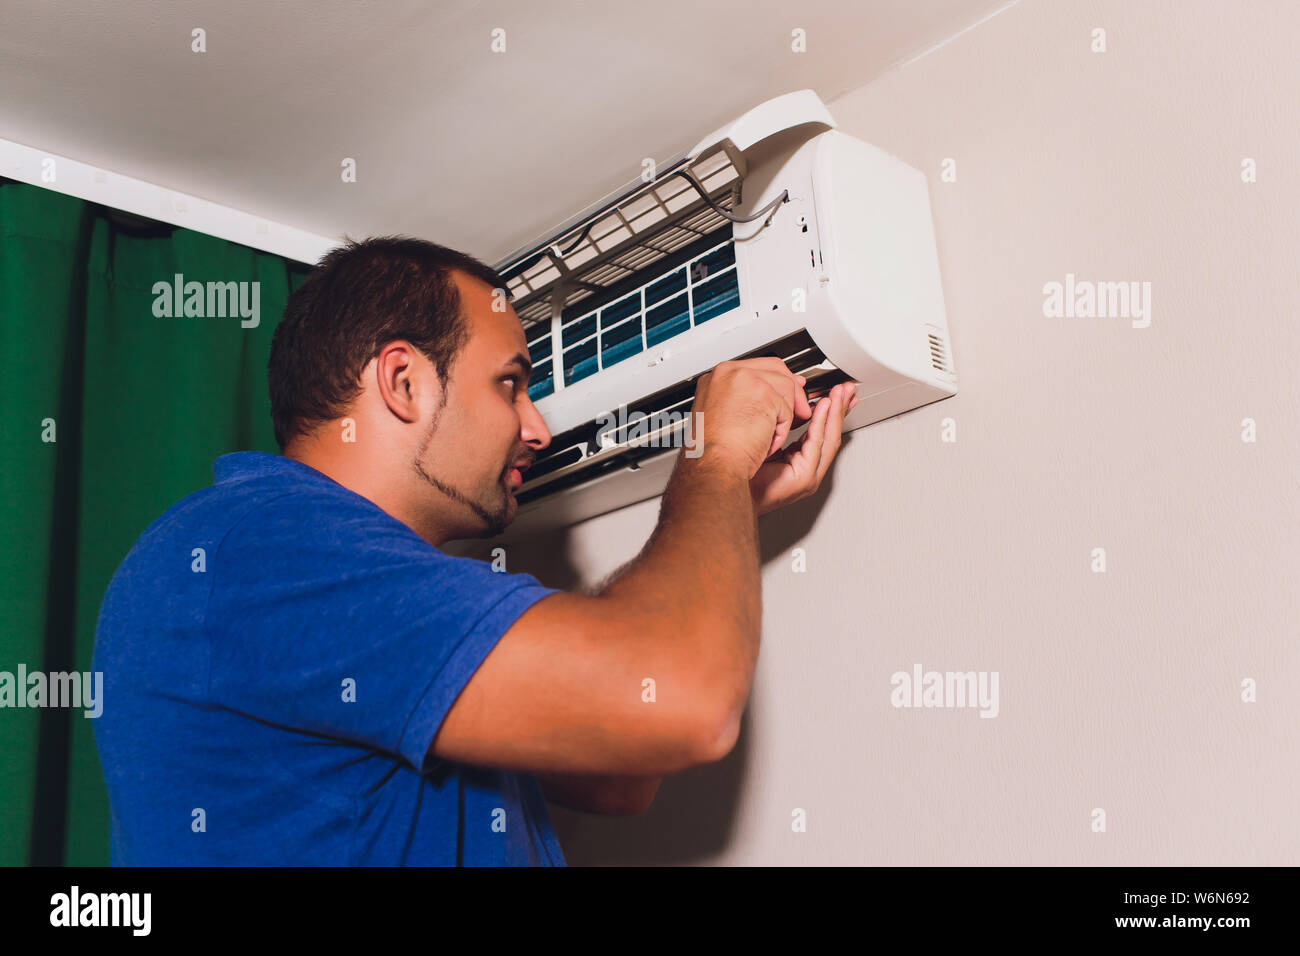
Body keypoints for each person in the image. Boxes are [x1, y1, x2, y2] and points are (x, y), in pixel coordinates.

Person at [91, 235, 858, 865]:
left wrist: (725, 505)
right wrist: (713, 457)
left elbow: (622, 771)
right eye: (509, 384)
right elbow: (683, 703)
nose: (537, 428)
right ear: (403, 381)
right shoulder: (262, 548)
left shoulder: (334, 578)